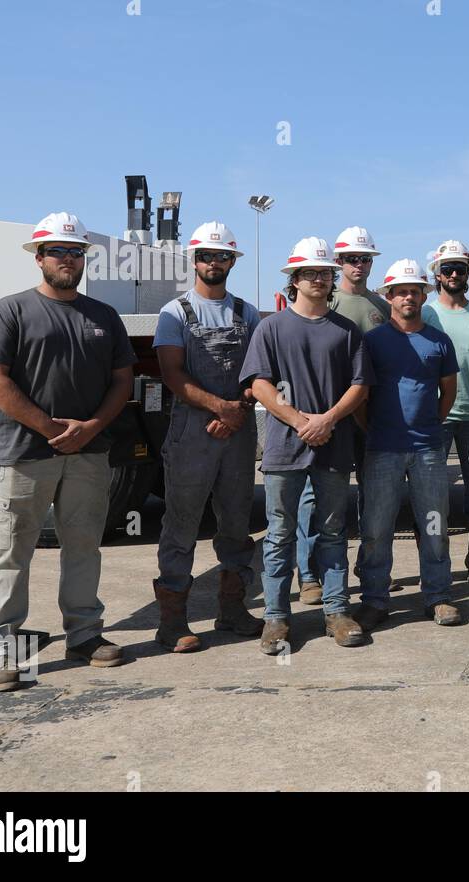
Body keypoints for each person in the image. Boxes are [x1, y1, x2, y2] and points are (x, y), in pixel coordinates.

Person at [0, 213, 136, 691]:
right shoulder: (11, 310)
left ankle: (84, 636)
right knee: (10, 552)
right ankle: (0, 649)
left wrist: (89, 428)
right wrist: (50, 428)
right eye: (59, 251)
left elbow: (122, 380)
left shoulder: (103, 316)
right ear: (38, 257)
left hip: (88, 454)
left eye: (76, 252)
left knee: (84, 547)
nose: (68, 259)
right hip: (24, 452)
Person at [241, 237, 371, 654]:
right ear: (294, 280)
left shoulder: (346, 331)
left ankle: (337, 611)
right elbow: (259, 385)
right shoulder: (271, 328)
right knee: (279, 536)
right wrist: (301, 421)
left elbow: (360, 385)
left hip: (332, 446)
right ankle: (276, 619)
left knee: (333, 532)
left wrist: (327, 420)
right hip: (285, 449)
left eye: (324, 273)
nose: (319, 279)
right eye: (310, 273)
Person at [151, 221, 264, 653]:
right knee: (181, 525)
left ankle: (232, 610)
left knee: (236, 523)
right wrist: (221, 409)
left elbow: (258, 372)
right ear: (193, 260)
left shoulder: (246, 312)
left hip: (236, 429)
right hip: (192, 433)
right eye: (205, 256)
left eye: (221, 256)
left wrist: (237, 410)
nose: (213, 262)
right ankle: (172, 622)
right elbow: (172, 374)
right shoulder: (175, 312)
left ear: (232, 261)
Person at [358, 258, 464, 628]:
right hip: (382, 449)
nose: (408, 298)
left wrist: (433, 421)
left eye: (414, 292)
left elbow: (448, 390)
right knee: (376, 528)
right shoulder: (372, 342)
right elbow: (361, 396)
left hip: (428, 451)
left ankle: (438, 597)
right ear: (389, 297)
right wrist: (373, 429)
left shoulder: (438, 341)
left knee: (434, 525)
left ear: (423, 296)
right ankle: (374, 599)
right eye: (401, 292)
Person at [297, 226, 387, 605]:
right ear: (338, 263)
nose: (359, 265)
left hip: (370, 415)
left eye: (365, 258)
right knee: (312, 497)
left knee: (373, 495)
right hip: (328, 415)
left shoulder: (382, 306)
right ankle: (309, 575)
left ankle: (368, 574)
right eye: (352, 258)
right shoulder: (325, 303)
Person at [422, 240, 469, 583]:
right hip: (435, 416)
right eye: (447, 269)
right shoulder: (425, 313)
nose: (453, 274)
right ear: (436, 273)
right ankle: (436, 560)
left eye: (460, 269)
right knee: (433, 490)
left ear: (468, 273)